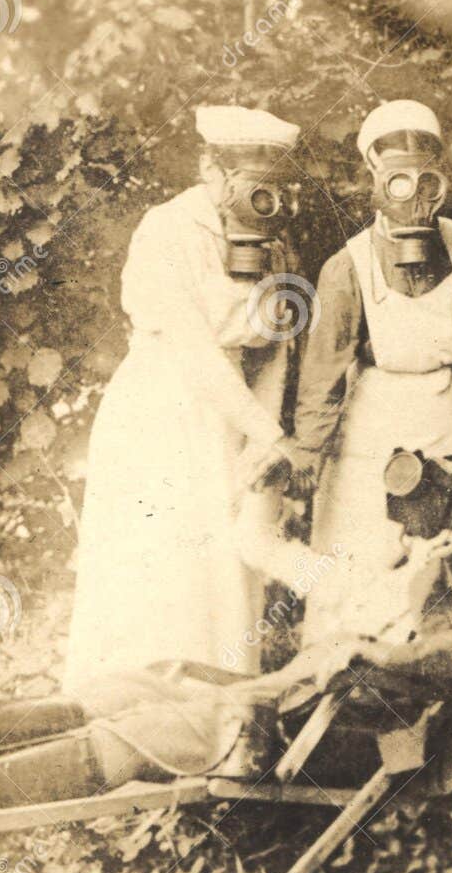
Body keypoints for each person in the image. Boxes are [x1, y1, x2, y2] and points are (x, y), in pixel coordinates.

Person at [0, 451, 452, 812]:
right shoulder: (371, 574)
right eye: (412, 530)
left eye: (431, 525)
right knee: (132, 686)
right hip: (289, 704)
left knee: (172, 723)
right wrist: (266, 488)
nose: (418, 537)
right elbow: (261, 546)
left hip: (358, 729)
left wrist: (380, 652)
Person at [64, 106, 313, 694]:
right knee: (162, 565)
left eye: (271, 179)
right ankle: (128, 718)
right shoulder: (168, 228)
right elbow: (192, 350)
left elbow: (277, 350)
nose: (258, 192)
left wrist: (263, 436)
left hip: (231, 415)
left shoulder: (271, 243)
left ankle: (212, 727)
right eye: (243, 175)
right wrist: (266, 430)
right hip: (162, 409)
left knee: (223, 573)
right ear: (208, 167)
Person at [293, 100, 452, 643]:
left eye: (425, 175)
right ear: (375, 177)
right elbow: (321, 383)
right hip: (372, 435)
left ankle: (430, 698)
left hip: (447, 424)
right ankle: (342, 698)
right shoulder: (348, 266)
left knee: (436, 574)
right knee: (359, 571)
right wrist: (306, 460)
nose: (414, 193)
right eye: (398, 178)